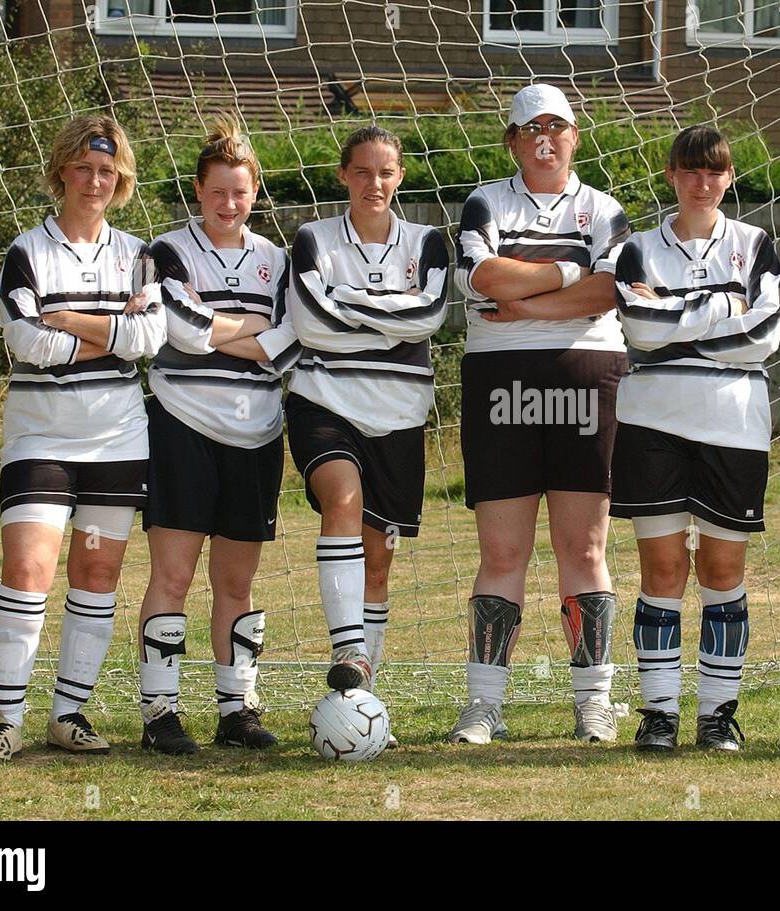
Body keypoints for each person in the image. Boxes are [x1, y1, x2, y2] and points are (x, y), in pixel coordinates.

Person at [0, 115, 166, 760]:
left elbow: (151, 339)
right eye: (83, 168)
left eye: (107, 172)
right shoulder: (27, 251)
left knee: (96, 573)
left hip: (117, 440)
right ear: (61, 172)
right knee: (28, 571)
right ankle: (5, 718)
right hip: (41, 440)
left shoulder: (138, 253)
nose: (94, 181)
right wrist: (112, 329)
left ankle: (69, 714)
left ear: (122, 181)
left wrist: (69, 320)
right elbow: (28, 343)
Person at [449, 83, 630, 744]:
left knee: (583, 547)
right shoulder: (485, 201)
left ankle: (593, 703)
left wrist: (526, 303)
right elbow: (485, 277)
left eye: (557, 126)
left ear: (576, 136)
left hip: (589, 377)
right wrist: (564, 273)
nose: (545, 139)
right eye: (531, 129)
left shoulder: (604, 208)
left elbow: (608, 291)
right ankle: (484, 703)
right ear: (513, 141)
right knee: (502, 549)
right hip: (500, 380)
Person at [610, 125, 780, 752]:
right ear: (672, 176)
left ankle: (717, 713)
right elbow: (638, 328)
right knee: (660, 567)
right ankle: (659, 713)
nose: (702, 182)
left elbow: (764, 335)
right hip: (652, 422)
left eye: (714, 172)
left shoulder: (756, 243)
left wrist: (679, 309)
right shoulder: (636, 250)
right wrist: (721, 305)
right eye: (691, 171)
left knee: (721, 566)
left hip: (734, 423)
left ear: (728, 178)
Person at [136, 114, 296, 754]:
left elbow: (288, 342)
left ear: (254, 193)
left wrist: (218, 325)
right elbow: (183, 331)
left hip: (258, 432)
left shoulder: (278, 259)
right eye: (218, 192)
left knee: (237, 583)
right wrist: (246, 327)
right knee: (171, 577)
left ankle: (238, 709)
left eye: (241, 191)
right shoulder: (167, 251)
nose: (230, 204)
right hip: (181, 426)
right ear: (198, 193)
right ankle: (160, 713)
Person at [283, 126, 449, 722]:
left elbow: (430, 316)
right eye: (361, 172)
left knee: (378, 562)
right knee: (342, 502)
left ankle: (361, 700)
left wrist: (346, 300)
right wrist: (388, 319)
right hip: (324, 401)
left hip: (399, 414)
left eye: (385, 172)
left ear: (400, 176)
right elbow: (309, 323)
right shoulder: (312, 238)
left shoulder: (428, 240)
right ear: (343, 176)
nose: (373, 184)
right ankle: (348, 649)